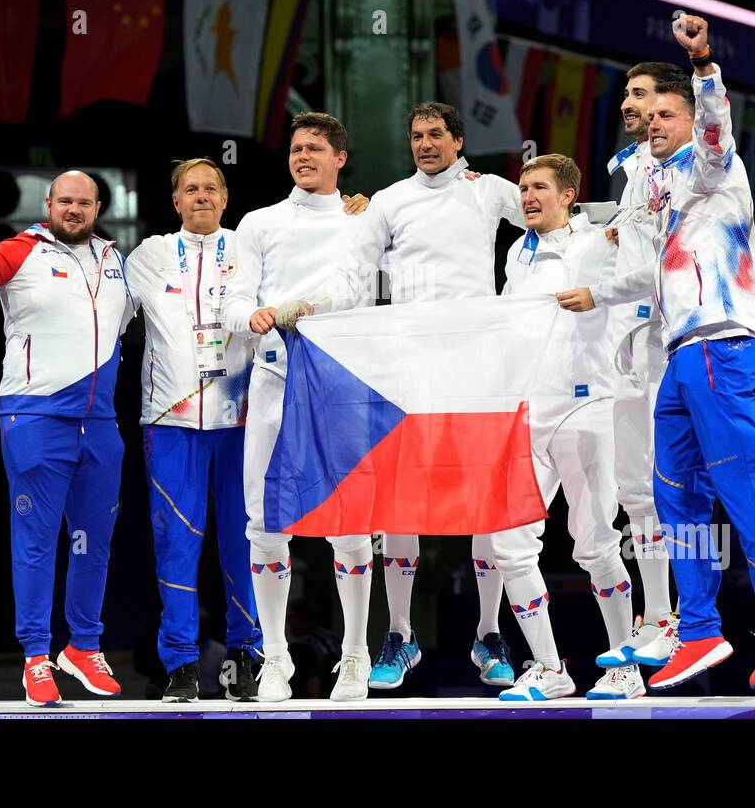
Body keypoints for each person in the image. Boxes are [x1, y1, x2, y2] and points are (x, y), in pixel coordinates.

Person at [561, 13, 755, 690]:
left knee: (740, 482)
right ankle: (699, 630)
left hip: (723, 343)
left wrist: (702, 64)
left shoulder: (714, 166)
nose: (655, 123)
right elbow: (644, 265)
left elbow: (714, 124)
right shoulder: (664, 189)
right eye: (651, 117)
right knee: (676, 497)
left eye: (666, 113)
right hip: (679, 354)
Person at [274, 102, 526, 692]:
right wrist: (314, 305)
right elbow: (354, 271)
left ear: (458, 140)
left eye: (436, 134)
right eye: (416, 136)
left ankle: (489, 631)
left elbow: (548, 212)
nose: (425, 144)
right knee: (400, 502)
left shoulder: (489, 190)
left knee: (484, 500)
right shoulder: (387, 201)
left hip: (477, 364)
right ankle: (401, 633)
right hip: (410, 367)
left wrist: (608, 228)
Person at [0, 169, 135, 707]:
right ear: (48, 204)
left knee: (94, 541)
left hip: (100, 424)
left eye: (84, 202)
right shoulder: (21, 253)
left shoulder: (117, 262)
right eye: (64, 200)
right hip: (35, 417)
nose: (74, 209)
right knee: (37, 541)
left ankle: (83, 647)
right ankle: (35, 658)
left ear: (97, 208)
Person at [221, 112, 376, 702]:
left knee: (350, 520)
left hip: (342, 384)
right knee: (263, 523)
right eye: (295, 148)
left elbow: (359, 289)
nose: (302, 156)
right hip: (274, 381)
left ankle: (357, 656)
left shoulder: (365, 220)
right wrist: (255, 316)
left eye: (315, 148)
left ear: (341, 157)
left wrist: (298, 307)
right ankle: (277, 659)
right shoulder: (259, 223)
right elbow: (235, 302)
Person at [486, 154, 637, 701]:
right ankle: (550, 668)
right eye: (523, 188)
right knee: (509, 547)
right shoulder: (516, 256)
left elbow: (642, 267)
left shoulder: (598, 242)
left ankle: (625, 668)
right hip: (528, 414)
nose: (527, 196)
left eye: (539, 187)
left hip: (586, 406)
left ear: (568, 195)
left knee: (596, 545)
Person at [125, 158, 262, 702]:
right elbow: (103, 305)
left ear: (225, 198)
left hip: (243, 418)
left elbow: (316, 264)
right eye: (189, 189)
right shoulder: (147, 256)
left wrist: (354, 214)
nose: (200, 196)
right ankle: (180, 663)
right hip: (170, 419)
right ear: (175, 201)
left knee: (242, 541)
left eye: (210, 188)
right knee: (176, 544)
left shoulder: (252, 247)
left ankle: (246, 657)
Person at [594, 62, 685, 675]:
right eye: (627, 94)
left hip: (664, 340)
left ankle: (676, 618)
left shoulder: (677, 169)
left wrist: (597, 289)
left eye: (642, 94)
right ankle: (653, 618)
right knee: (632, 491)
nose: (630, 103)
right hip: (627, 343)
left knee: (659, 487)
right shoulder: (633, 172)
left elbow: (662, 264)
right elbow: (632, 241)